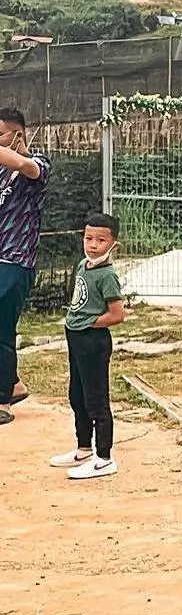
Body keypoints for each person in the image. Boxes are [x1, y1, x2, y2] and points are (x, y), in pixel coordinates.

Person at [49, 213, 126, 479]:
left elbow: (117, 314)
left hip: (93, 341)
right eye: (88, 238)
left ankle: (104, 457)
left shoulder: (107, 276)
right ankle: (83, 448)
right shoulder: (83, 265)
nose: (93, 244)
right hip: (76, 337)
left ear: (113, 243)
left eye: (101, 240)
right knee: (77, 395)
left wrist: (91, 324)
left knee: (96, 399)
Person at [0, 106, 51, 426]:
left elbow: (22, 163)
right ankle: (14, 384)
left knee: (1, 330)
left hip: (16, 260)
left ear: (18, 134)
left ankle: (2, 401)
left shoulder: (39, 165)